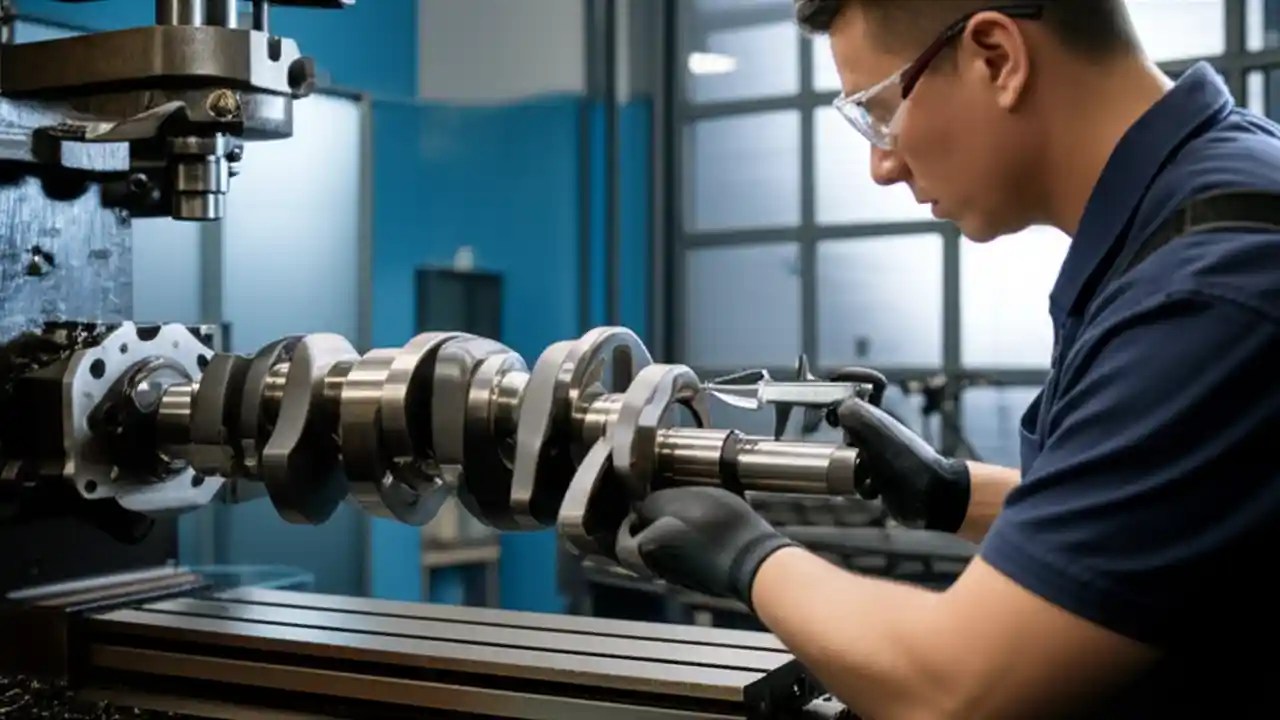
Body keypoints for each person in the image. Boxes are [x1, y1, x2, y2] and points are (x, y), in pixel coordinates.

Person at [616, 1, 1280, 717]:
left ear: (997, 57)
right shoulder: (1206, 197)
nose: (882, 163)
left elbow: (955, 688)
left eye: (879, 110)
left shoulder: (1212, 281)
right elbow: (1156, 521)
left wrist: (745, 556)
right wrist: (955, 494)